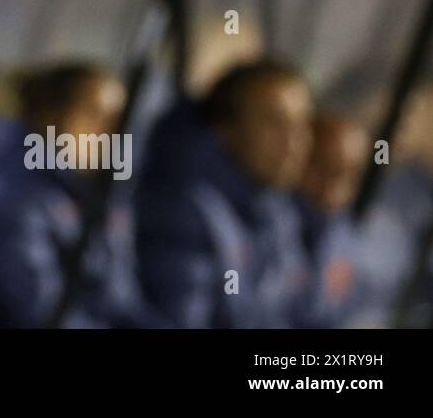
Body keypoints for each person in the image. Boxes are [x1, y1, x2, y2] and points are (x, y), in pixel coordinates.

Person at [0, 62, 151, 327]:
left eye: (118, 120)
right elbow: (38, 312)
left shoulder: (102, 193)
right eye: (94, 115)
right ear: (50, 118)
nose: (111, 132)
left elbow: (121, 304)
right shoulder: (6, 193)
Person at [135, 59, 315, 328]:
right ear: (225, 130)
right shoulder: (181, 208)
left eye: (301, 124)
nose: (293, 142)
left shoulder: (277, 211)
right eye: (274, 123)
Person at [294, 112, 368, 327]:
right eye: (321, 166)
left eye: (346, 173)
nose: (331, 185)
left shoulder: (344, 236)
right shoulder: (274, 221)